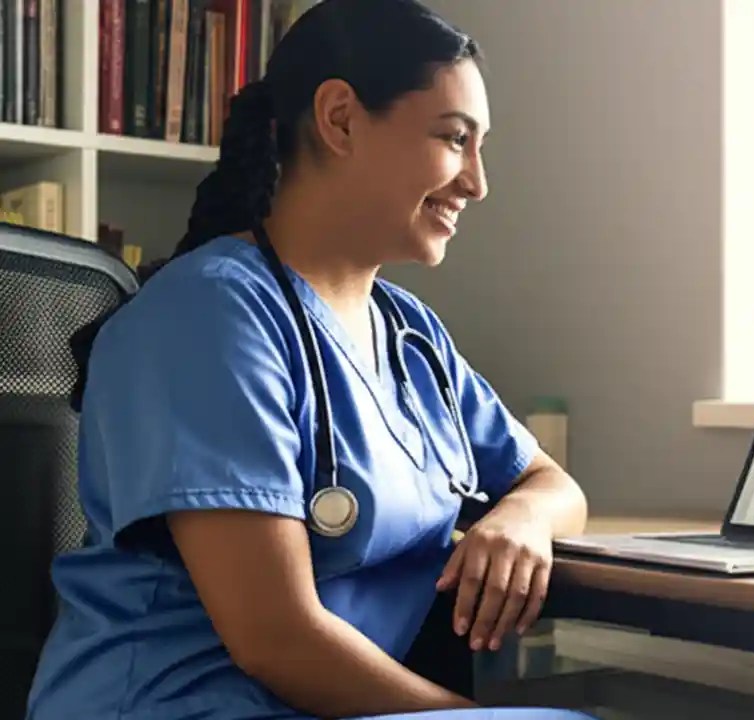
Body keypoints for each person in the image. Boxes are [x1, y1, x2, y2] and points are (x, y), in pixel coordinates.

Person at [25, 1, 592, 718]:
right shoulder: (207, 315)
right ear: (341, 120)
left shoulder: (410, 334)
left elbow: (553, 484)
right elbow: (276, 639)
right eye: (454, 139)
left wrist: (520, 520)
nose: (477, 183)